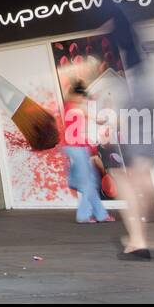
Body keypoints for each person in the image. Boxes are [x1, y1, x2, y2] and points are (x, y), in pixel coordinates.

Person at [61, 80, 110, 224]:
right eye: (82, 96)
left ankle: (101, 214)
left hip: (73, 148)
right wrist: (104, 119)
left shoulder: (69, 106)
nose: (83, 98)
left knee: (90, 181)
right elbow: (97, 119)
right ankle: (85, 215)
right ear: (76, 95)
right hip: (77, 148)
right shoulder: (78, 107)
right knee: (89, 182)